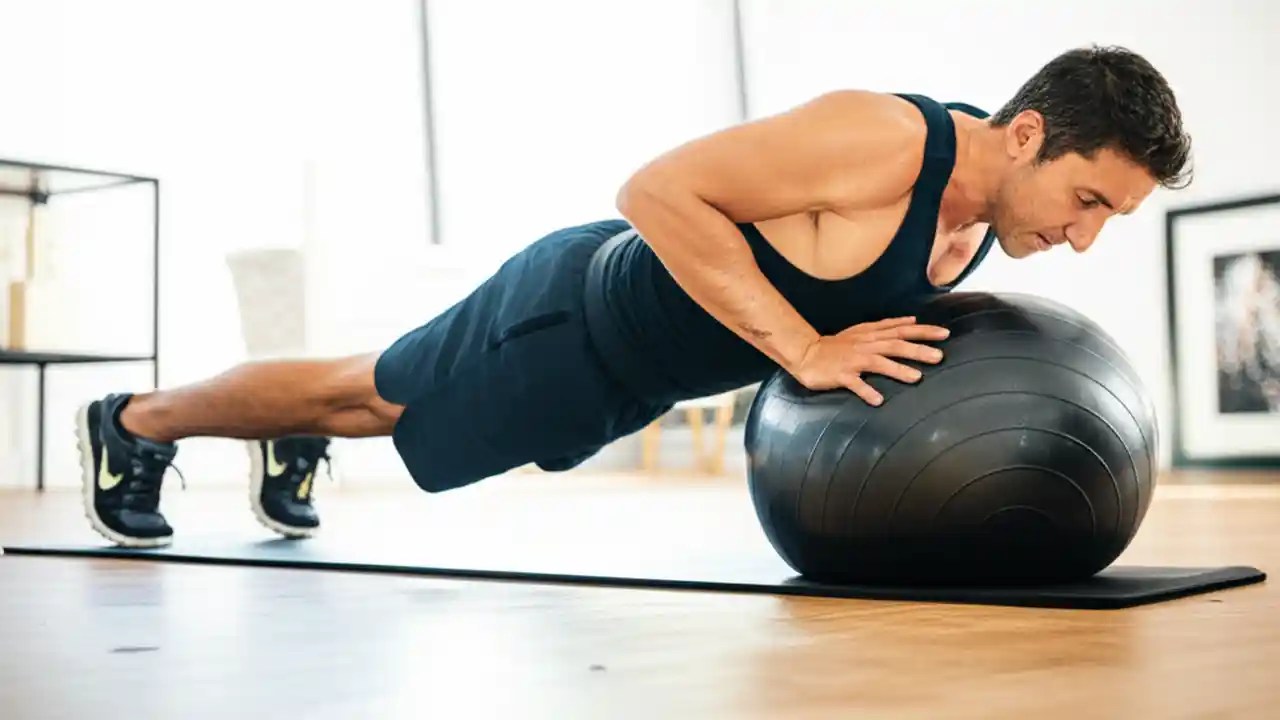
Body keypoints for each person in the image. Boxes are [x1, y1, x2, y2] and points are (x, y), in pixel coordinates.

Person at [77, 44, 1192, 548]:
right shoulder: (880, 138)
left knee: (373, 409)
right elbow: (654, 190)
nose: (1082, 238)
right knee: (362, 395)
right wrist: (802, 350)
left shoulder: (980, 213)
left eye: (1109, 221)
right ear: (1029, 133)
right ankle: (135, 423)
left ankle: (283, 450)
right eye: (1086, 200)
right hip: (572, 315)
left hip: (634, 372)